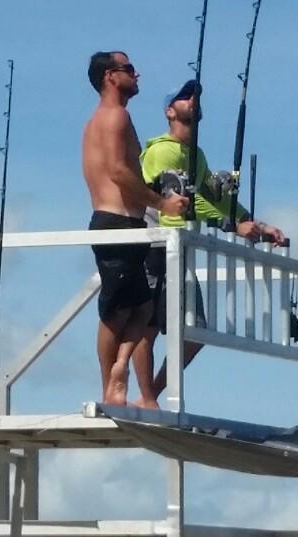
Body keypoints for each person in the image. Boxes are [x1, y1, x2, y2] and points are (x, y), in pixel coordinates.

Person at [135, 80, 287, 400]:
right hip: (153, 244)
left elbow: (212, 199)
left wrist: (253, 223)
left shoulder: (196, 155)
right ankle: (148, 399)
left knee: (196, 330)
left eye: (197, 97)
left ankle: (152, 394)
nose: (193, 100)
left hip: (181, 248)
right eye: (185, 96)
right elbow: (183, 202)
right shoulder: (162, 150)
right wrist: (231, 224)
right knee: (146, 329)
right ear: (169, 110)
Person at [82, 50, 189, 406]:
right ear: (110, 76)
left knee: (143, 309)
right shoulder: (114, 117)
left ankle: (120, 367)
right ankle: (108, 385)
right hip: (114, 222)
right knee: (115, 312)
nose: (137, 74)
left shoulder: (112, 118)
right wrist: (161, 204)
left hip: (128, 225)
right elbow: (118, 171)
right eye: (128, 69)